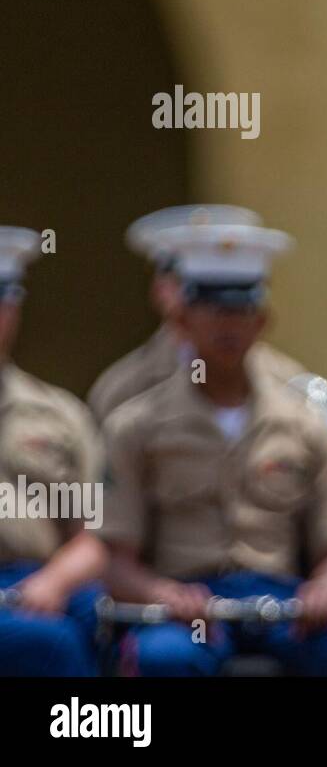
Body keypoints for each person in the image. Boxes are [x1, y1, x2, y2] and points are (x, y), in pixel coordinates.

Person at [100, 223, 327, 676]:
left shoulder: (305, 421)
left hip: (280, 602)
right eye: (211, 309)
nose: (228, 325)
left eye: (241, 310)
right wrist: (162, 594)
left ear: (262, 321)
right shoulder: (135, 426)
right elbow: (115, 565)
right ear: (181, 320)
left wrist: (326, 588)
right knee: (164, 660)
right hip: (187, 606)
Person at [0, 227, 108, 676]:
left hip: (36, 583)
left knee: (104, 620)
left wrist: (53, 581)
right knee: (51, 645)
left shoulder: (59, 413)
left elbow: (96, 537)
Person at [88, 205, 305, 422]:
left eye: (236, 299)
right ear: (159, 288)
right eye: (182, 280)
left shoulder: (292, 383)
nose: (221, 313)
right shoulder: (124, 388)